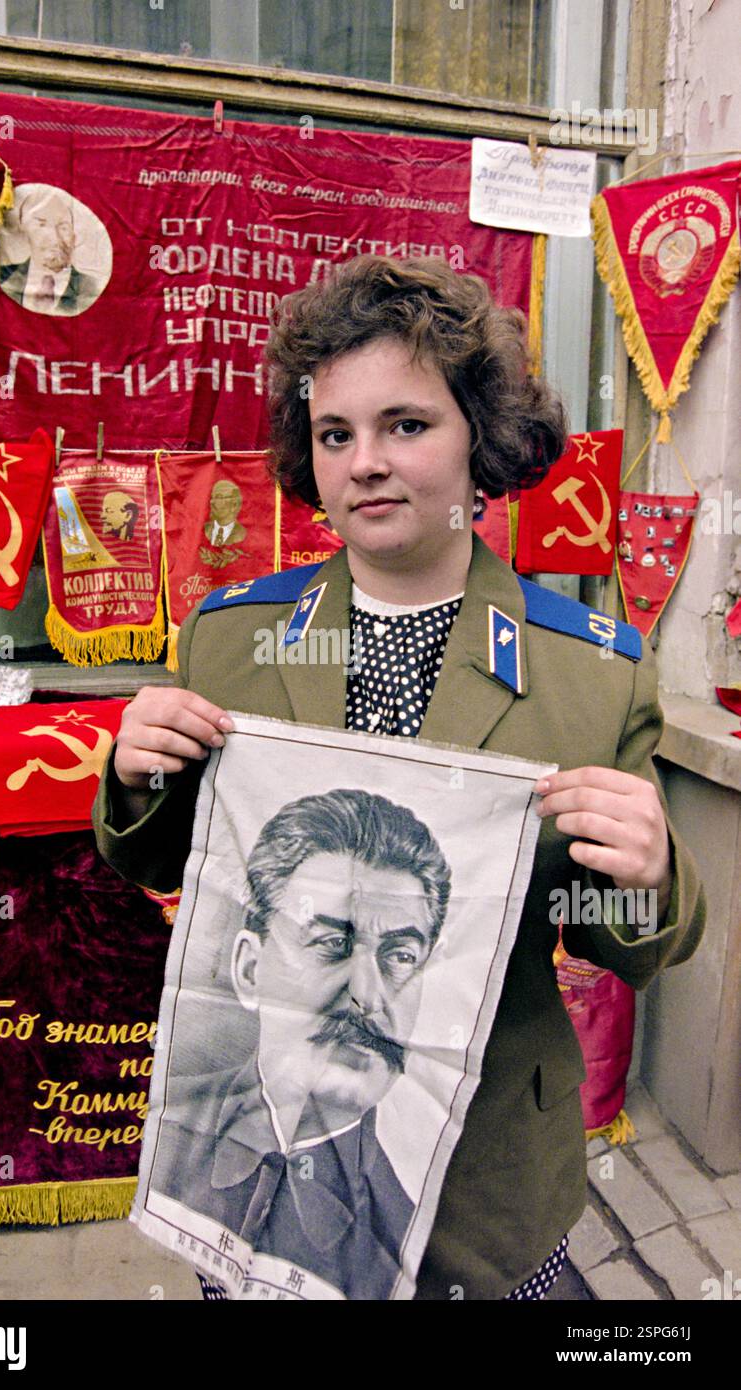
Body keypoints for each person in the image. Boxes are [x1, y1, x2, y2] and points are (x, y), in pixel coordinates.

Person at [93, 255, 706, 1301]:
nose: (366, 462)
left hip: (486, 1177)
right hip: (267, 1162)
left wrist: (644, 873)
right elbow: (169, 860)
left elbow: (613, 937)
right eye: (336, 435)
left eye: (406, 425)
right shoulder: (230, 641)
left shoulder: (590, 669)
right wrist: (135, 777)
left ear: (480, 438)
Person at [146, 786, 450, 1299]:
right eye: (333, 943)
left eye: (400, 955)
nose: (367, 996)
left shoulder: (419, 1217)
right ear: (249, 968)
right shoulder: (175, 1134)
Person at [0, 188, 101, 316]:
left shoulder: (92, 288)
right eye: (42, 225)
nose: (54, 237)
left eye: (63, 227)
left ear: (74, 238)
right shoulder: (1, 277)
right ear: (25, 232)